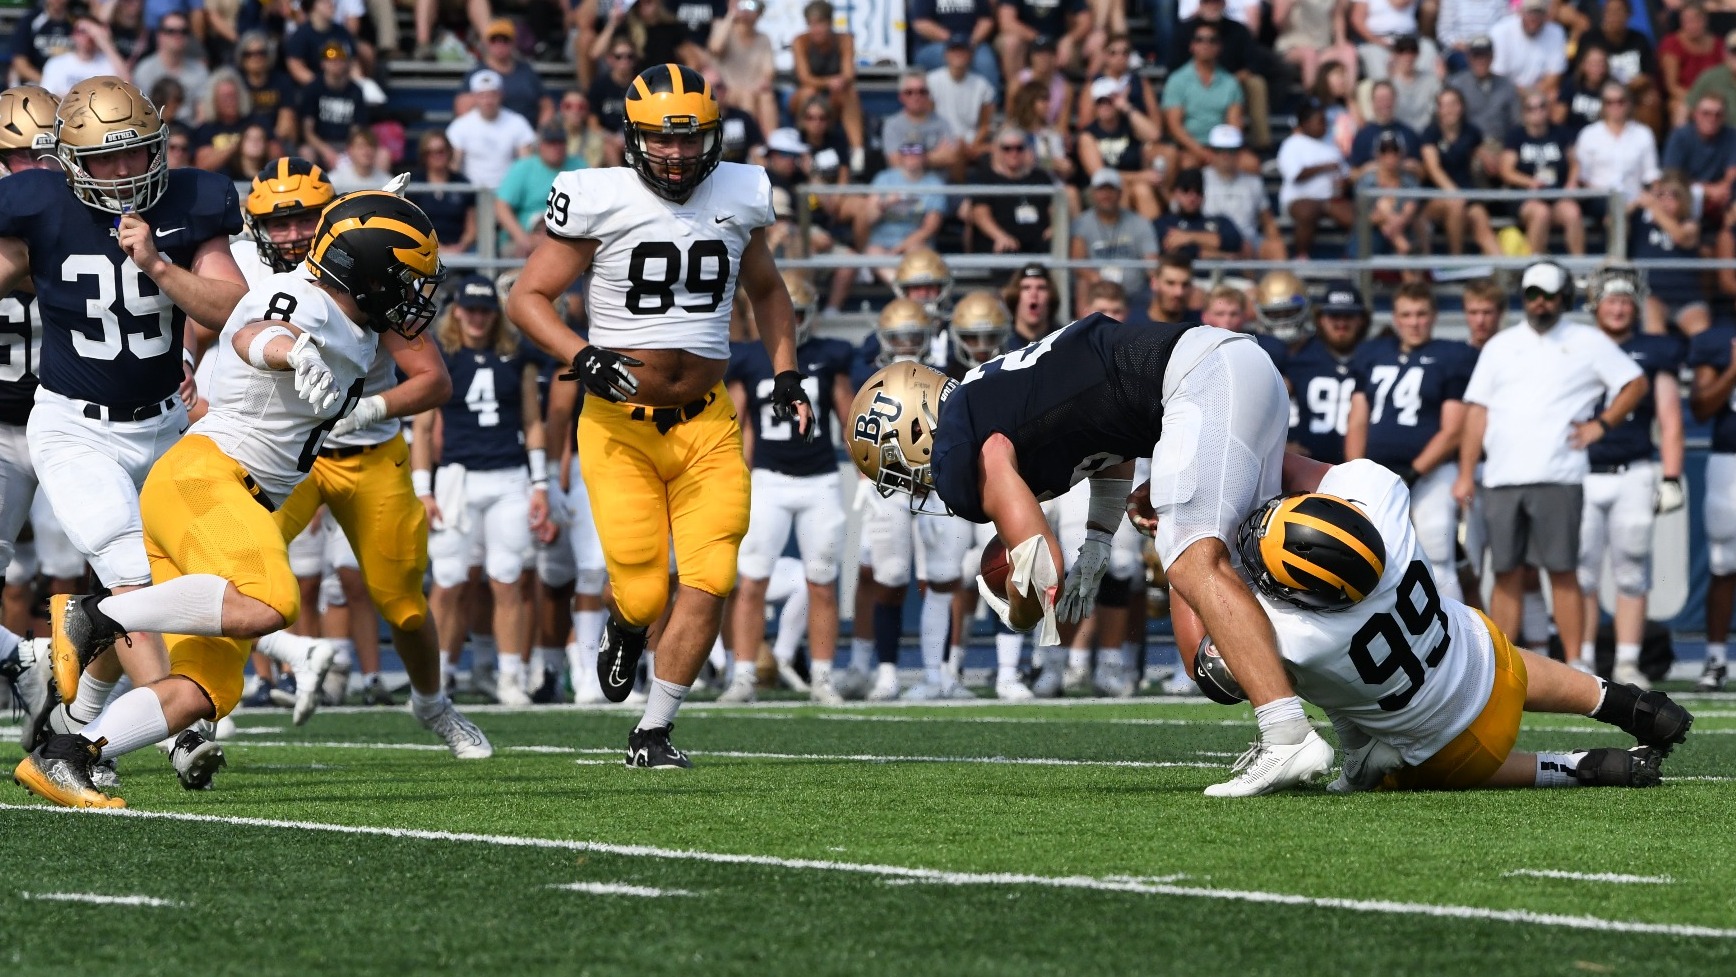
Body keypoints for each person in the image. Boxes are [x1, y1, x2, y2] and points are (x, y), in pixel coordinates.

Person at [16, 191, 443, 808]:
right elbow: (253, 331)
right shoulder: (309, 302)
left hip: (214, 493)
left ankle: (69, 755)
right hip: (209, 479)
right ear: (365, 271)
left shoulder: (343, 310)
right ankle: (95, 616)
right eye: (404, 279)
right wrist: (290, 350)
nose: (414, 295)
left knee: (207, 687)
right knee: (272, 602)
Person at [851, 315, 1336, 797]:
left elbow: (1042, 568)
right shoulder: (998, 394)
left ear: (916, 427)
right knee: (1271, 559)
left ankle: (1286, 732)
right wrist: (1100, 539)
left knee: (1192, 560)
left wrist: (1020, 611)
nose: (915, 480)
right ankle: (1368, 724)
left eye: (899, 467)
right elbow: (1110, 441)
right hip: (1233, 365)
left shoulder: (968, 438)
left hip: (1201, 380)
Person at [505, 64, 815, 768]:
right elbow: (525, 297)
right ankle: (624, 623)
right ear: (631, 138)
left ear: (714, 138)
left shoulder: (741, 191)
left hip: (708, 420)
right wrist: (582, 354)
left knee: (711, 574)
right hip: (619, 424)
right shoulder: (597, 197)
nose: (675, 155)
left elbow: (767, 291)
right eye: (660, 142)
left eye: (689, 141)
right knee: (643, 590)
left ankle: (654, 730)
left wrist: (786, 369)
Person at [0, 77, 247, 786]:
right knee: (135, 572)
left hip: (167, 424)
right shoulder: (39, 204)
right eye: (105, 160)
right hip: (76, 426)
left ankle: (79, 717)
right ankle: (177, 730)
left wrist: (159, 265)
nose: (124, 172)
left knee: (174, 578)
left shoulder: (191, 200)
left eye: (137, 154)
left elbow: (229, 305)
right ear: (69, 159)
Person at [1217, 456, 1691, 792]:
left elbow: (1210, 656)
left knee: (1391, 775)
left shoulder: (1294, 637)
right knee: (1482, 650)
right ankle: (1632, 706)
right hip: (1495, 662)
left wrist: (1189, 523)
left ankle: (1583, 766)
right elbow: (1289, 462)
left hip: (1459, 751)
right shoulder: (1379, 495)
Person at [235, 158, 490, 751]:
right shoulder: (247, 271)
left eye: (302, 218)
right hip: (290, 454)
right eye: (277, 222)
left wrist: (369, 409)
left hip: (371, 453)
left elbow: (433, 380)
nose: (292, 234)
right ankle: (200, 705)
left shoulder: (367, 268)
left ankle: (432, 705)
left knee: (403, 606)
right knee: (234, 569)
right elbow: (214, 336)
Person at [1452, 260, 1649, 674]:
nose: (1540, 303)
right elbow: (1476, 413)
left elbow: (1635, 383)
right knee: (1505, 573)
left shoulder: (1588, 340)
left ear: (1565, 298)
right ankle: (1501, 669)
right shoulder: (1500, 345)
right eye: (1532, 295)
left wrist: (1602, 425)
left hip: (1559, 475)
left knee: (1562, 572)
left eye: (1549, 295)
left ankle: (1577, 664)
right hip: (1503, 476)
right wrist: (1466, 472)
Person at [719, 273, 856, 704]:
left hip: (820, 479)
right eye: (788, 314)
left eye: (799, 314)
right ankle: (743, 676)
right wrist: (736, 478)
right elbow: (736, 425)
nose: (792, 323)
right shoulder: (750, 359)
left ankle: (821, 677)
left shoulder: (829, 357)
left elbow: (850, 418)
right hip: (768, 479)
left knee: (821, 580)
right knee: (752, 579)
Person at [415, 276, 547, 708]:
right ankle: (438, 676)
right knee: (449, 581)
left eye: (484, 310)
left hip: (509, 477)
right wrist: (423, 488)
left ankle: (511, 675)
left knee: (507, 578)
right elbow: (424, 426)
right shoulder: (443, 357)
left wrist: (540, 483)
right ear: (456, 311)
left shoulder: (515, 356)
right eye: (469, 309)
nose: (476, 317)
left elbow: (532, 421)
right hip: (456, 477)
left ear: (496, 314)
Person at [1574, 266, 1684, 691]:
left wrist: (1671, 475)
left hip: (1634, 469)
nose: (1618, 308)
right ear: (1595, 305)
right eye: (1611, 301)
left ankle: (1626, 662)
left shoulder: (1652, 350)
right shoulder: (1577, 346)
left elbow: (1670, 418)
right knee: (1580, 570)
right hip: (1582, 470)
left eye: (1625, 301)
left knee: (1632, 569)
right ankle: (1580, 657)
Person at [1343, 281, 1476, 601]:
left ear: (1433, 316)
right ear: (1395, 318)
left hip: (1431, 473)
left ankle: (1454, 633)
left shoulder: (1452, 355)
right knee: (1371, 553)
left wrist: (1414, 472)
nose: (1414, 322)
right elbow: (1358, 419)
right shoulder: (1372, 353)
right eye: (1407, 315)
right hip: (1378, 472)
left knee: (1438, 549)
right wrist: (1353, 471)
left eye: (1421, 314)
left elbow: (1453, 430)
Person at [1688, 305, 1736, 691]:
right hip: (1729, 459)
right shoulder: (1717, 341)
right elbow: (1701, 407)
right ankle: (1716, 657)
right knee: (1722, 564)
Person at [1286, 281, 1369, 462]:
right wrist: (1281, 446)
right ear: (1321, 319)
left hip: (1361, 466)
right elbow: (1268, 405)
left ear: (1361, 319)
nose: (1341, 323)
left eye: (1348, 316)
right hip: (1309, 466)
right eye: (1334, 315)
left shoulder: (1376, 358)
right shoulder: (1300, 358)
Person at [1421, 86, 1501, 258]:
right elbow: (1433, 168)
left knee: (1480, 217)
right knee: (1456, 205)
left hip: (1467, 192)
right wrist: (1454, 193)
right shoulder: (1431, 133)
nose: (1449, 110)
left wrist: (1488, 159)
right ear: (1439, 109)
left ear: (1461, 107)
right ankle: (1456, 260)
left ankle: (1503, 268)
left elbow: (1483, 156)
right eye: (1445, 105)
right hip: (1438, 196)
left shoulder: (1472, 132)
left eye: (1453, 104)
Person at [1501, 92, 1584, 256]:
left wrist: (1571, 182)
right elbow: (1506, 171)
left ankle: (1579, 267)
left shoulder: (1560, 133)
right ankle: (1534, 265)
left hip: (1556, 193)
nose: (1537, 112)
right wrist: (1529, 182)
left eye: (1541, 107)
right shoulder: (1515, 136)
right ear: (1524, 112)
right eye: (1531, 108)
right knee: (1541, 213)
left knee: (1573, 212)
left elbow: (1574, 163)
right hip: (1525, 196)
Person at [1629, 174, 1708, 337]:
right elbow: (1610, 223)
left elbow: (1680, 237)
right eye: (1661, 196)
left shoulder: (1690, 225)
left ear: (1684, 201)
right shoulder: (1641, 223)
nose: (1665, 201)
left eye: (1673, 196)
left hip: (1686, 297)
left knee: (1703, 336)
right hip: (1652, 295)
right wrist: (1634, 204)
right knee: (1653, 326)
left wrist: (1653, 207)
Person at [789, 1, 865, 170]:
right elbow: (804, 77)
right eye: (812, 24)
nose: (816, 29)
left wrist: (840, 82)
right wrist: (829, 82)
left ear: (830, 23)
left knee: (849, 93)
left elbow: (848, 73)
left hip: (833, 98)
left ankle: (858, 152)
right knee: (808, 92)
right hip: (806, 96)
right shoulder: (800, 41)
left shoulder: (845, 39)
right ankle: (804, 149)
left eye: (821, 23)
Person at [1069, 168, 1158, 312]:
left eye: (1111, 189)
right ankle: (1083, 329)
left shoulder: (1140, 222)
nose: (1106, 195)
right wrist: (1094, 277)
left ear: (1120, 193)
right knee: (1082, 283)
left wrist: (1154, 277)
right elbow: (1077, 261)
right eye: (1101, 190)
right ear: (1093, 193)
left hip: (1134, 291)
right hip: (1097, 289)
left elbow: (1151, 262)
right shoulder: (1081, 223)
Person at [1278, 97, 1354, 258]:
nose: (1324, 125)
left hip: (1330, 199)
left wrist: (1344, 183)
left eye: (1325, 121)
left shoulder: (1332, 147)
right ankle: (1301, 256)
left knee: (1357, 218)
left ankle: (1351, 256)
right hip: (1299, 198)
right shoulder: (1293, 144)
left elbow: (1346, 175)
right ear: (1305, 124)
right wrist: (1324, 167)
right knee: (1308, 212)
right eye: (1319, 121)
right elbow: (1295, 175)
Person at [497, 123, 583, 260]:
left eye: (560, 142)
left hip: (568, 237)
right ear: (541, 145)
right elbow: (501, 206)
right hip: (526, 236)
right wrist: (522, 238)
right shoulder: (523, 167)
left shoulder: (579, 166)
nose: (556, 147)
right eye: (551, 142)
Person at [967, 126, 1056, 254]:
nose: (1014, 153)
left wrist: (1054, 227)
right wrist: (1000, 236)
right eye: (1007, 149)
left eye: (1019, 148)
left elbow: (1053, 208)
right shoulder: (986, 178)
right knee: (1005, 249)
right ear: (998, 150)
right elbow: (980, 215)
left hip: (1039, 243)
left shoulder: (1041, 177)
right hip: (1005, 245)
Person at [1201, 124, 1284, 259]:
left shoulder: (1254, 182)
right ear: (1210, 152)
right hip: (1212, 241)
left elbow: (1268, 221)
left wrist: (1275, 239)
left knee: (1275, 247)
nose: (1226, 155)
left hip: (1249, 241)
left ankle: (1281, 280)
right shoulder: (1199, 180)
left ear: (1240, 152)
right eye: (1219, 150)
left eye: (1231, 150)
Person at [446, 69, 537, 191]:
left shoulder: (517, 123)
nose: (487, 100)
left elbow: (526, 163)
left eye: (492, 95)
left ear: (501, 95)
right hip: (471, 194)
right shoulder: (460, 126)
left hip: (508, 191)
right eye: (482, 95)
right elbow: (454, 166)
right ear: (474, 97)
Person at [1447, 35, 1520, 181]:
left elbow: (1517, 123)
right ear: (1469, 58)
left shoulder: (1506, 85)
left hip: (1502, 143)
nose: (1480, 60)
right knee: (1478, 165)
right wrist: (1478, 150)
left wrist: (1508, 151)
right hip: (1469, 145)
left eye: (1485, 56)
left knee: (1515, 164)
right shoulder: (1456, 85)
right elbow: (1450, 125)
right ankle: (1479, 202)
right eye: (1476, 56)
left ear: (1492, 57)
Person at [1662, 94, 1736, 225]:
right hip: (1686, 199)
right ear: (1695, 114)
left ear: (1724, 117)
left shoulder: (1731, 136)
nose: (1712, 118)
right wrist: (1708, 191)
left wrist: (1722, 189)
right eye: (1706, 113)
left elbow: (1732, 173)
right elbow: (1672, 177)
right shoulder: (1680, 137)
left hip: (1722, 201)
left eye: (1717, 114)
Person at [298, 40, 367, 171]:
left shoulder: (356, 91)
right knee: (306, 153)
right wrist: (326, 151)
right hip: (319, 144)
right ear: (322, 63)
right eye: (330, 58)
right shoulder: (313, 88)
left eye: (340, 58)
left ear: (348, 62)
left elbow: (357, 129)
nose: (335, 62)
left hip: (347, 144)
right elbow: (308, 131)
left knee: (369, 153)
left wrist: (348, 152)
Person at [1154, 166, 1244, 261]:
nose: (1192, 197)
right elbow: (1172, 252)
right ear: (1176, 193)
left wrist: (1189, 238)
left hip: (1222, 275)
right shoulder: (1164, 222)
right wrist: (1218, 254)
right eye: (1186, 190)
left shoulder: (1220, 221)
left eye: (1198, 191)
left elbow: (1234, 241)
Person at [1489, 0, 1567, 96]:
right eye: (1530, 13)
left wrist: (1532, 95)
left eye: (1538, 13)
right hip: (1507, 92)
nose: (1534, 18)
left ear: (1546, 15)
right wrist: (1525, 94)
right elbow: (1498, 76)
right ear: (1521, 12)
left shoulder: (1556, 32)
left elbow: (1554, 75)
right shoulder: (1500, 31)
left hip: (1538, 94)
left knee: (1553, 94)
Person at [1661, 3, 1720, 127]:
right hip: (1684, 96)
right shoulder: (1672, 43)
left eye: (1697, 19)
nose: (1693, 25)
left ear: (1705, 20)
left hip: (1716, 96)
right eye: (1688, 20)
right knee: (1678, 108)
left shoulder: (1719, 44)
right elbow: (1672, 86)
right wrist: (1698, 100)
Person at [38, 16, 126, 97]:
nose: (86, 36)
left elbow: (126, 85)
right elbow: (46, 98)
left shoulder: (108, 63)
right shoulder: (56, 63)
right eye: (81, 31)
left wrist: (105, 43)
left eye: (91, 32)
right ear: (73, 34)